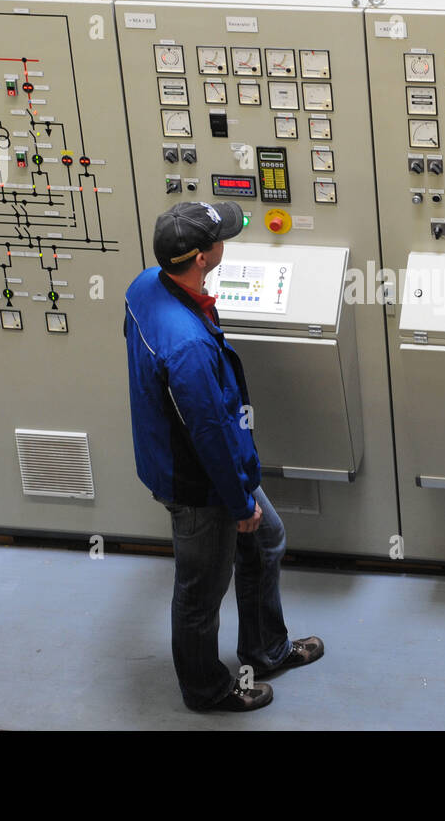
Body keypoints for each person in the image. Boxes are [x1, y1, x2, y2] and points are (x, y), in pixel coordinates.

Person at [124, 200, 323, 712]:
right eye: (221, 239)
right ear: (201, 257)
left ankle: (265, 648)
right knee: (199, 590)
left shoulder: (146, 284)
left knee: (267, 541)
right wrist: (238, 504)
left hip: (205, 464)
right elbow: (208, 431)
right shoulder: (188, 345)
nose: (226, 242)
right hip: (200, 484)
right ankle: (206, 689)